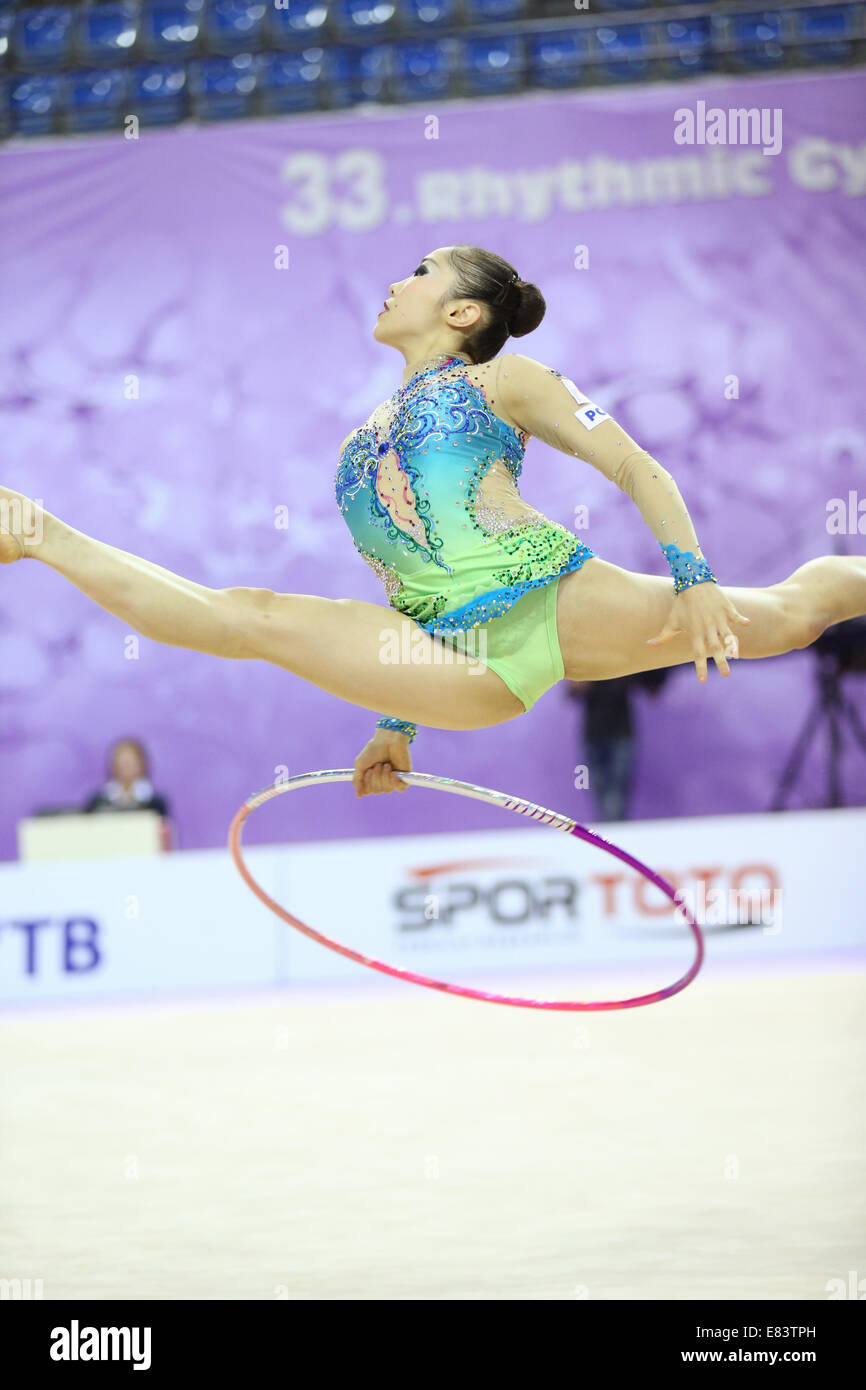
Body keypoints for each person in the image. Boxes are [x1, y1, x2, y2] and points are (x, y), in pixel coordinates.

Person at [2, 244, 864, 803]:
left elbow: (638, 467)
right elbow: (406, 583)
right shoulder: (359, 442)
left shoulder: (507, 381)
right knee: (251, 615)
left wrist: (695, 579)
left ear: (462, 312)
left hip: (553, 599)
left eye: (418, 270)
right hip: (460, 665)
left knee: (788, 619)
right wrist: (397, 714)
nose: (394, 281)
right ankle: (42, 536)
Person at [565, 669, 671, 822]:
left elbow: (653, 685)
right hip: (594, 734)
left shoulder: (622, 659)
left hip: (620, 734)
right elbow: (572, 691)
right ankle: (610, 832)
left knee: (616, 794)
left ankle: (610, 833)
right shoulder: (588, 658)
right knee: (599, 791)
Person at [83, 737, 171, 818]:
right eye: (121, 762)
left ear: (142, 764)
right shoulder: (99, 801)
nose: (126, 766)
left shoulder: (155, 802)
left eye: (130, 762)